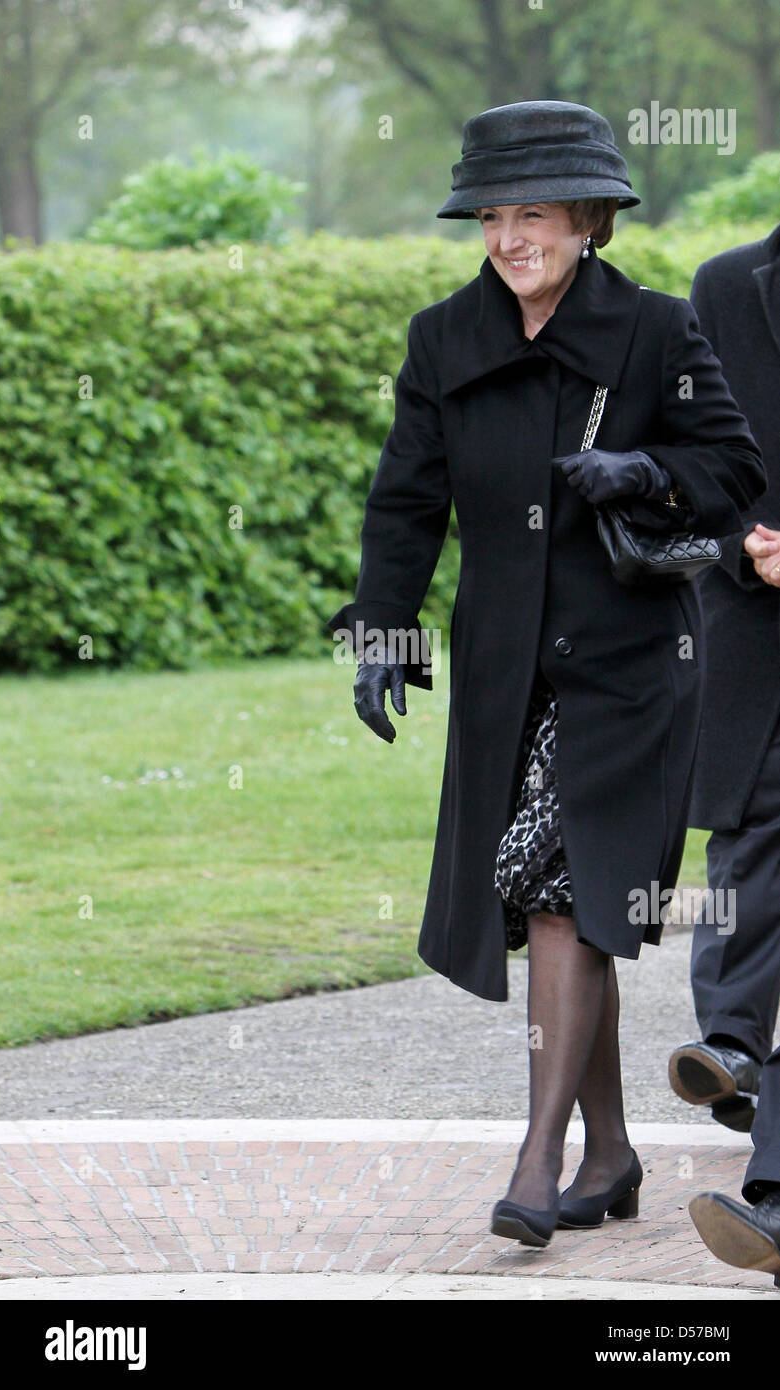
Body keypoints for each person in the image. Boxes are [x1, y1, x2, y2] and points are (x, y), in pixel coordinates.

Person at [326, 100, 765, 1248]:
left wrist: (642, 473)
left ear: (587, 222)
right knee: (561, 895)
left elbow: (728, 472)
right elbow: (405, 501)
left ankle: (536, 1159)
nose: (508, 236)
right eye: (489, 215)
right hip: (502, 678)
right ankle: (611, 1153)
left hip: (629, 670)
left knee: (559, 886)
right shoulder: (440, 341)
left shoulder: (658, 332)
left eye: (533, 215)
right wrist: (381, 626)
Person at [669, 227, 780, 1137]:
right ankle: (730, 1049)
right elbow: (693, 459)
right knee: (749, 831)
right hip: (754, 626)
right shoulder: (728, 285)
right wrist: (742, 544)